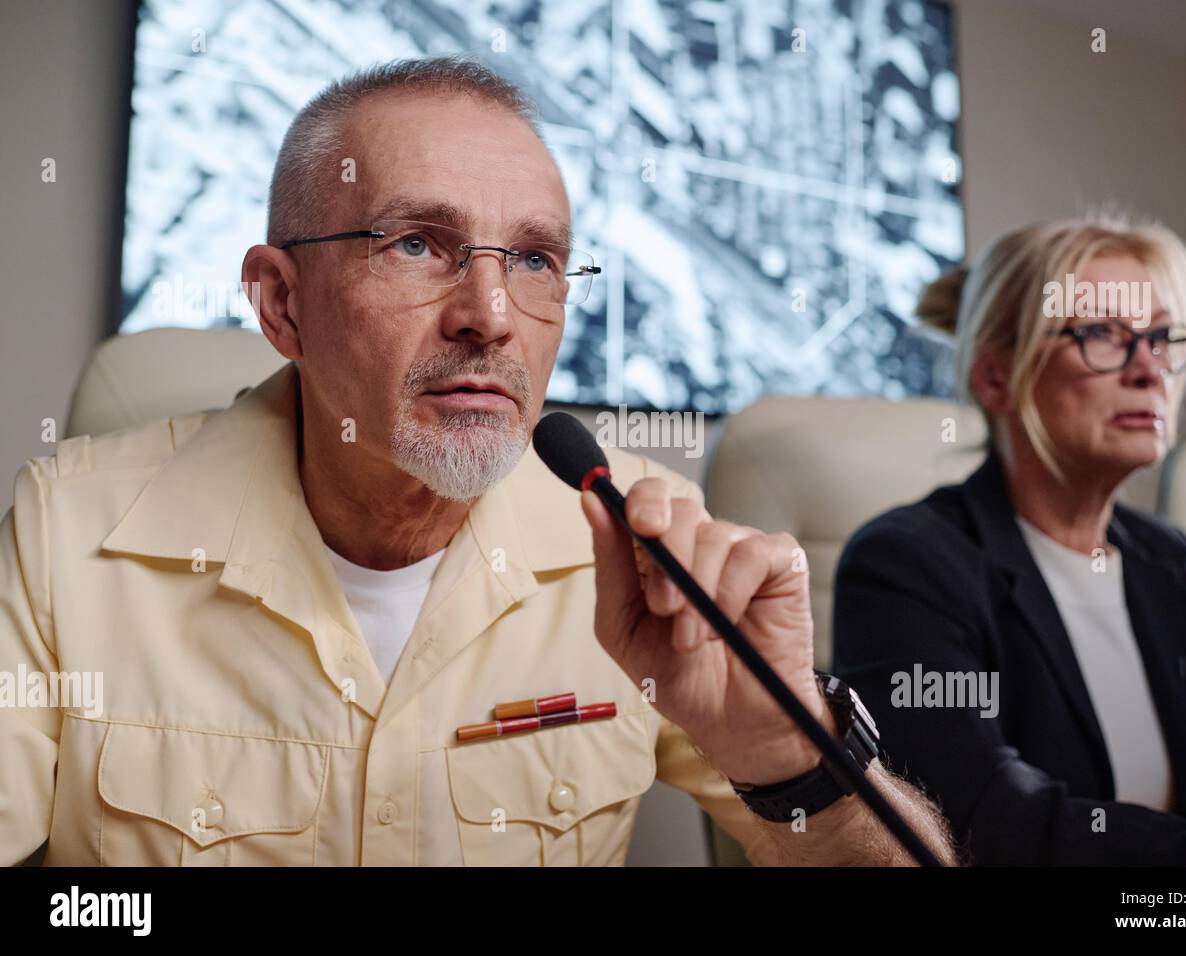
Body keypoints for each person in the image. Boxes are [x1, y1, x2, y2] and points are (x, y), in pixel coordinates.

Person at [0, 57, 952, 867]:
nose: (491, 316)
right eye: (417, 244)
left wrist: (789, 749)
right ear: (282, 304)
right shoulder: (67, 532)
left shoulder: (642, 535)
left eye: (535, 262)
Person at [833, 216, 1186, 865]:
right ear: (997, 378)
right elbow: (983, 821)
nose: (1150, 369)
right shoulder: (904, 564)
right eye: (1101, 335)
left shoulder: (1170, 562)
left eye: (1161, 337)